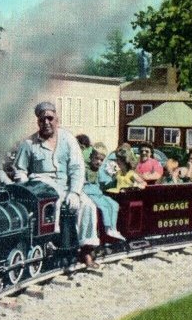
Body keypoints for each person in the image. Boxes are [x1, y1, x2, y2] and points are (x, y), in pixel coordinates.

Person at [14, 102, 100, 268]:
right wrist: (25, 189)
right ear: (38, 122)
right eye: (42, 119)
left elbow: (77, 167)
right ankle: (57, 249)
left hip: (66, 185)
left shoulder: (68, 139)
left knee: (88, 205)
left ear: (56, 119)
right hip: (41, 186)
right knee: (56, 203)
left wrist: (75, 192)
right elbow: (20, 170)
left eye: (50, 118)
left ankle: (86, 250)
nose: (46, 122)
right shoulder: (28, 144)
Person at [83, 143, 125, 241]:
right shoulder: (85, 169)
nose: (98, 162)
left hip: (99, 194)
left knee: (114, 204)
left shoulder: (99, 171)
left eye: (101, 160)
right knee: (104, 207)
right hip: (89, 195)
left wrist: (114, 179)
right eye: (96, 158)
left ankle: (113, 229)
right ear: (91, 157)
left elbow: (103, 184)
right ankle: (107, 228)